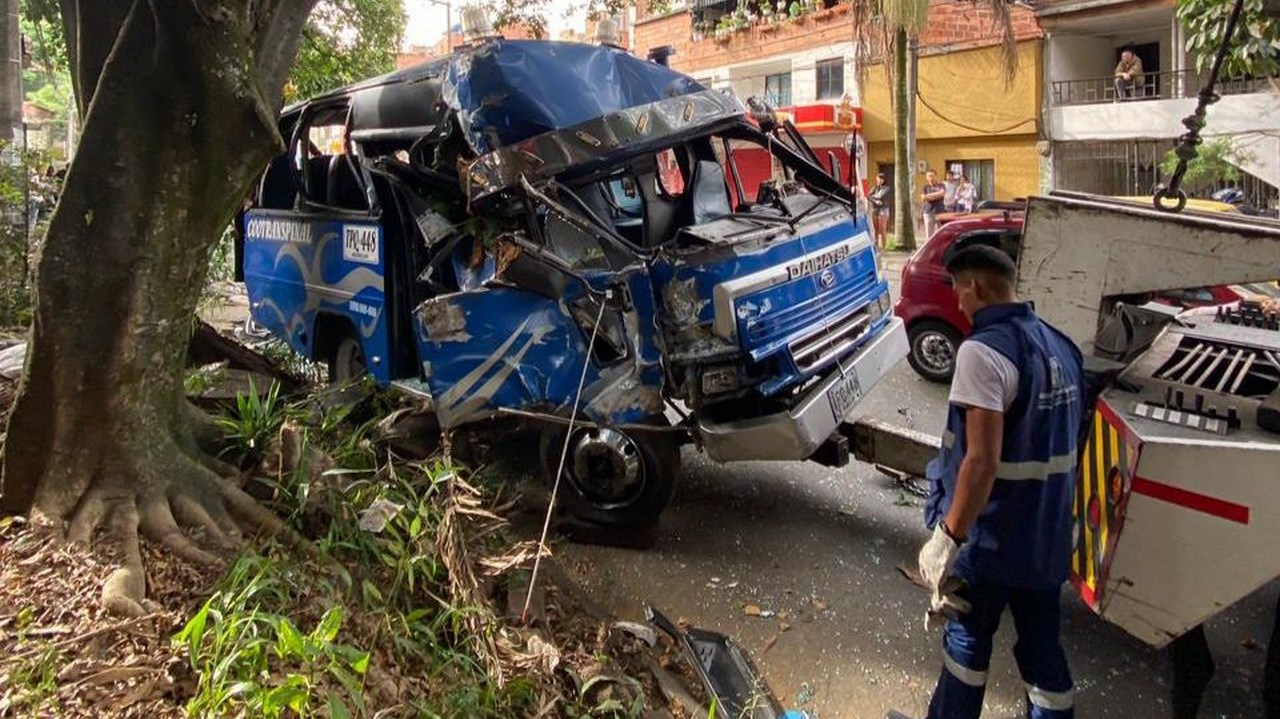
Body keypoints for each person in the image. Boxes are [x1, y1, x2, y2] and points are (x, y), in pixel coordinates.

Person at [902, 245, 1086, 719]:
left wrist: (947, 539)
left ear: (974, 287)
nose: (958, 305)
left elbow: (981, 462)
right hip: (1044, 539)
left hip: (992, 540)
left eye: (957, 292)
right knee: (1043, 651)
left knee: (966, 641)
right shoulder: (1060, 345)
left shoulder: (983, 353)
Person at [868, 172, 891, 249]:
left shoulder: (887, 188)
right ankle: (876, 246)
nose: (878, 181)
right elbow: (868, 196)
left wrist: (873, 197)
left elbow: (879, 196)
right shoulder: (875, 187)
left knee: (882, 229)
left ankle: (884, 246)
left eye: (880, 179)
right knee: (876, 228)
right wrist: (875, 201)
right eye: (877, 179)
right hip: (875, 209)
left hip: (883, 209)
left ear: (884, 180)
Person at [920, 169, 946, 239]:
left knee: (942, 233)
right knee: (929, 235)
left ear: (935, 176)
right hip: (928, 213)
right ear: (926, 177)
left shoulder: (941, 185)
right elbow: (923, 198)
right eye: (929, 176)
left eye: (932, 176)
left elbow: (942, 194)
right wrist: (937, 196)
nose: (931, 177)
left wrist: (928, 196)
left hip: (940, 212)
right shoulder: (925, 187)